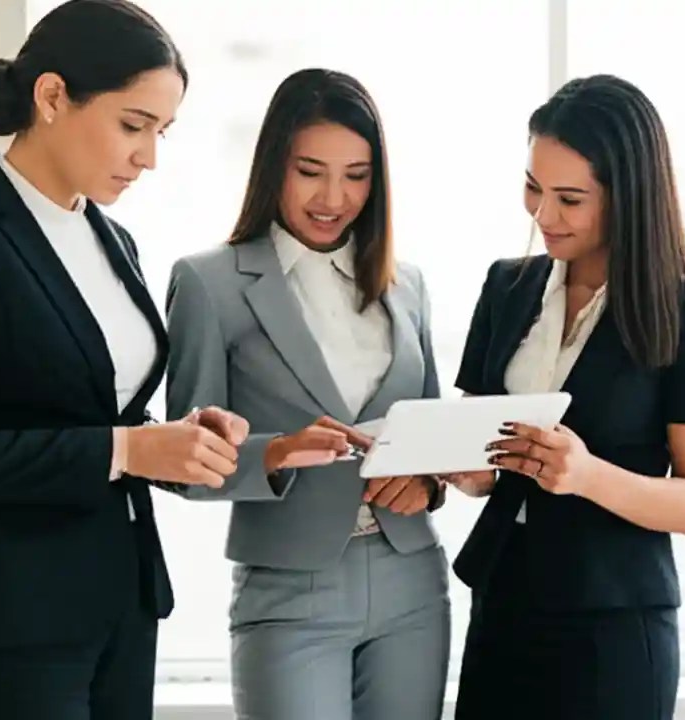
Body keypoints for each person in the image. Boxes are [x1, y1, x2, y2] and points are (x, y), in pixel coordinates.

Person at [0, 2, 250, 718]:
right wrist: (125, 449)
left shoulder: (115, 242)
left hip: (119, 605)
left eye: (161, 132)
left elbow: (94, 407)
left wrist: (176, 441)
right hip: (7, 623)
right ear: (51, 97)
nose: (149, 156)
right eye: (133, 126)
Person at [446, 74, 685, 720]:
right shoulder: (506, 288)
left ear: (627, 197)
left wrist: (585, 475)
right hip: (503, 608)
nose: (543, 215)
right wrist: (469, 472)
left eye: (569, 199)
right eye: (533, 188)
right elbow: (483, 456)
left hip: (613, 628)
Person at [164, 68, 450, 720]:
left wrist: (427, 483)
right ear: (275, 167)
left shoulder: (408, 286)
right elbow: (183, 463)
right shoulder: (211, 284)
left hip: (412, 581)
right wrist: (277, 452)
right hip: (289, 591)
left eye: (357, 174)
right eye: (310, 170)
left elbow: (429, 437)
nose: (334, 196)